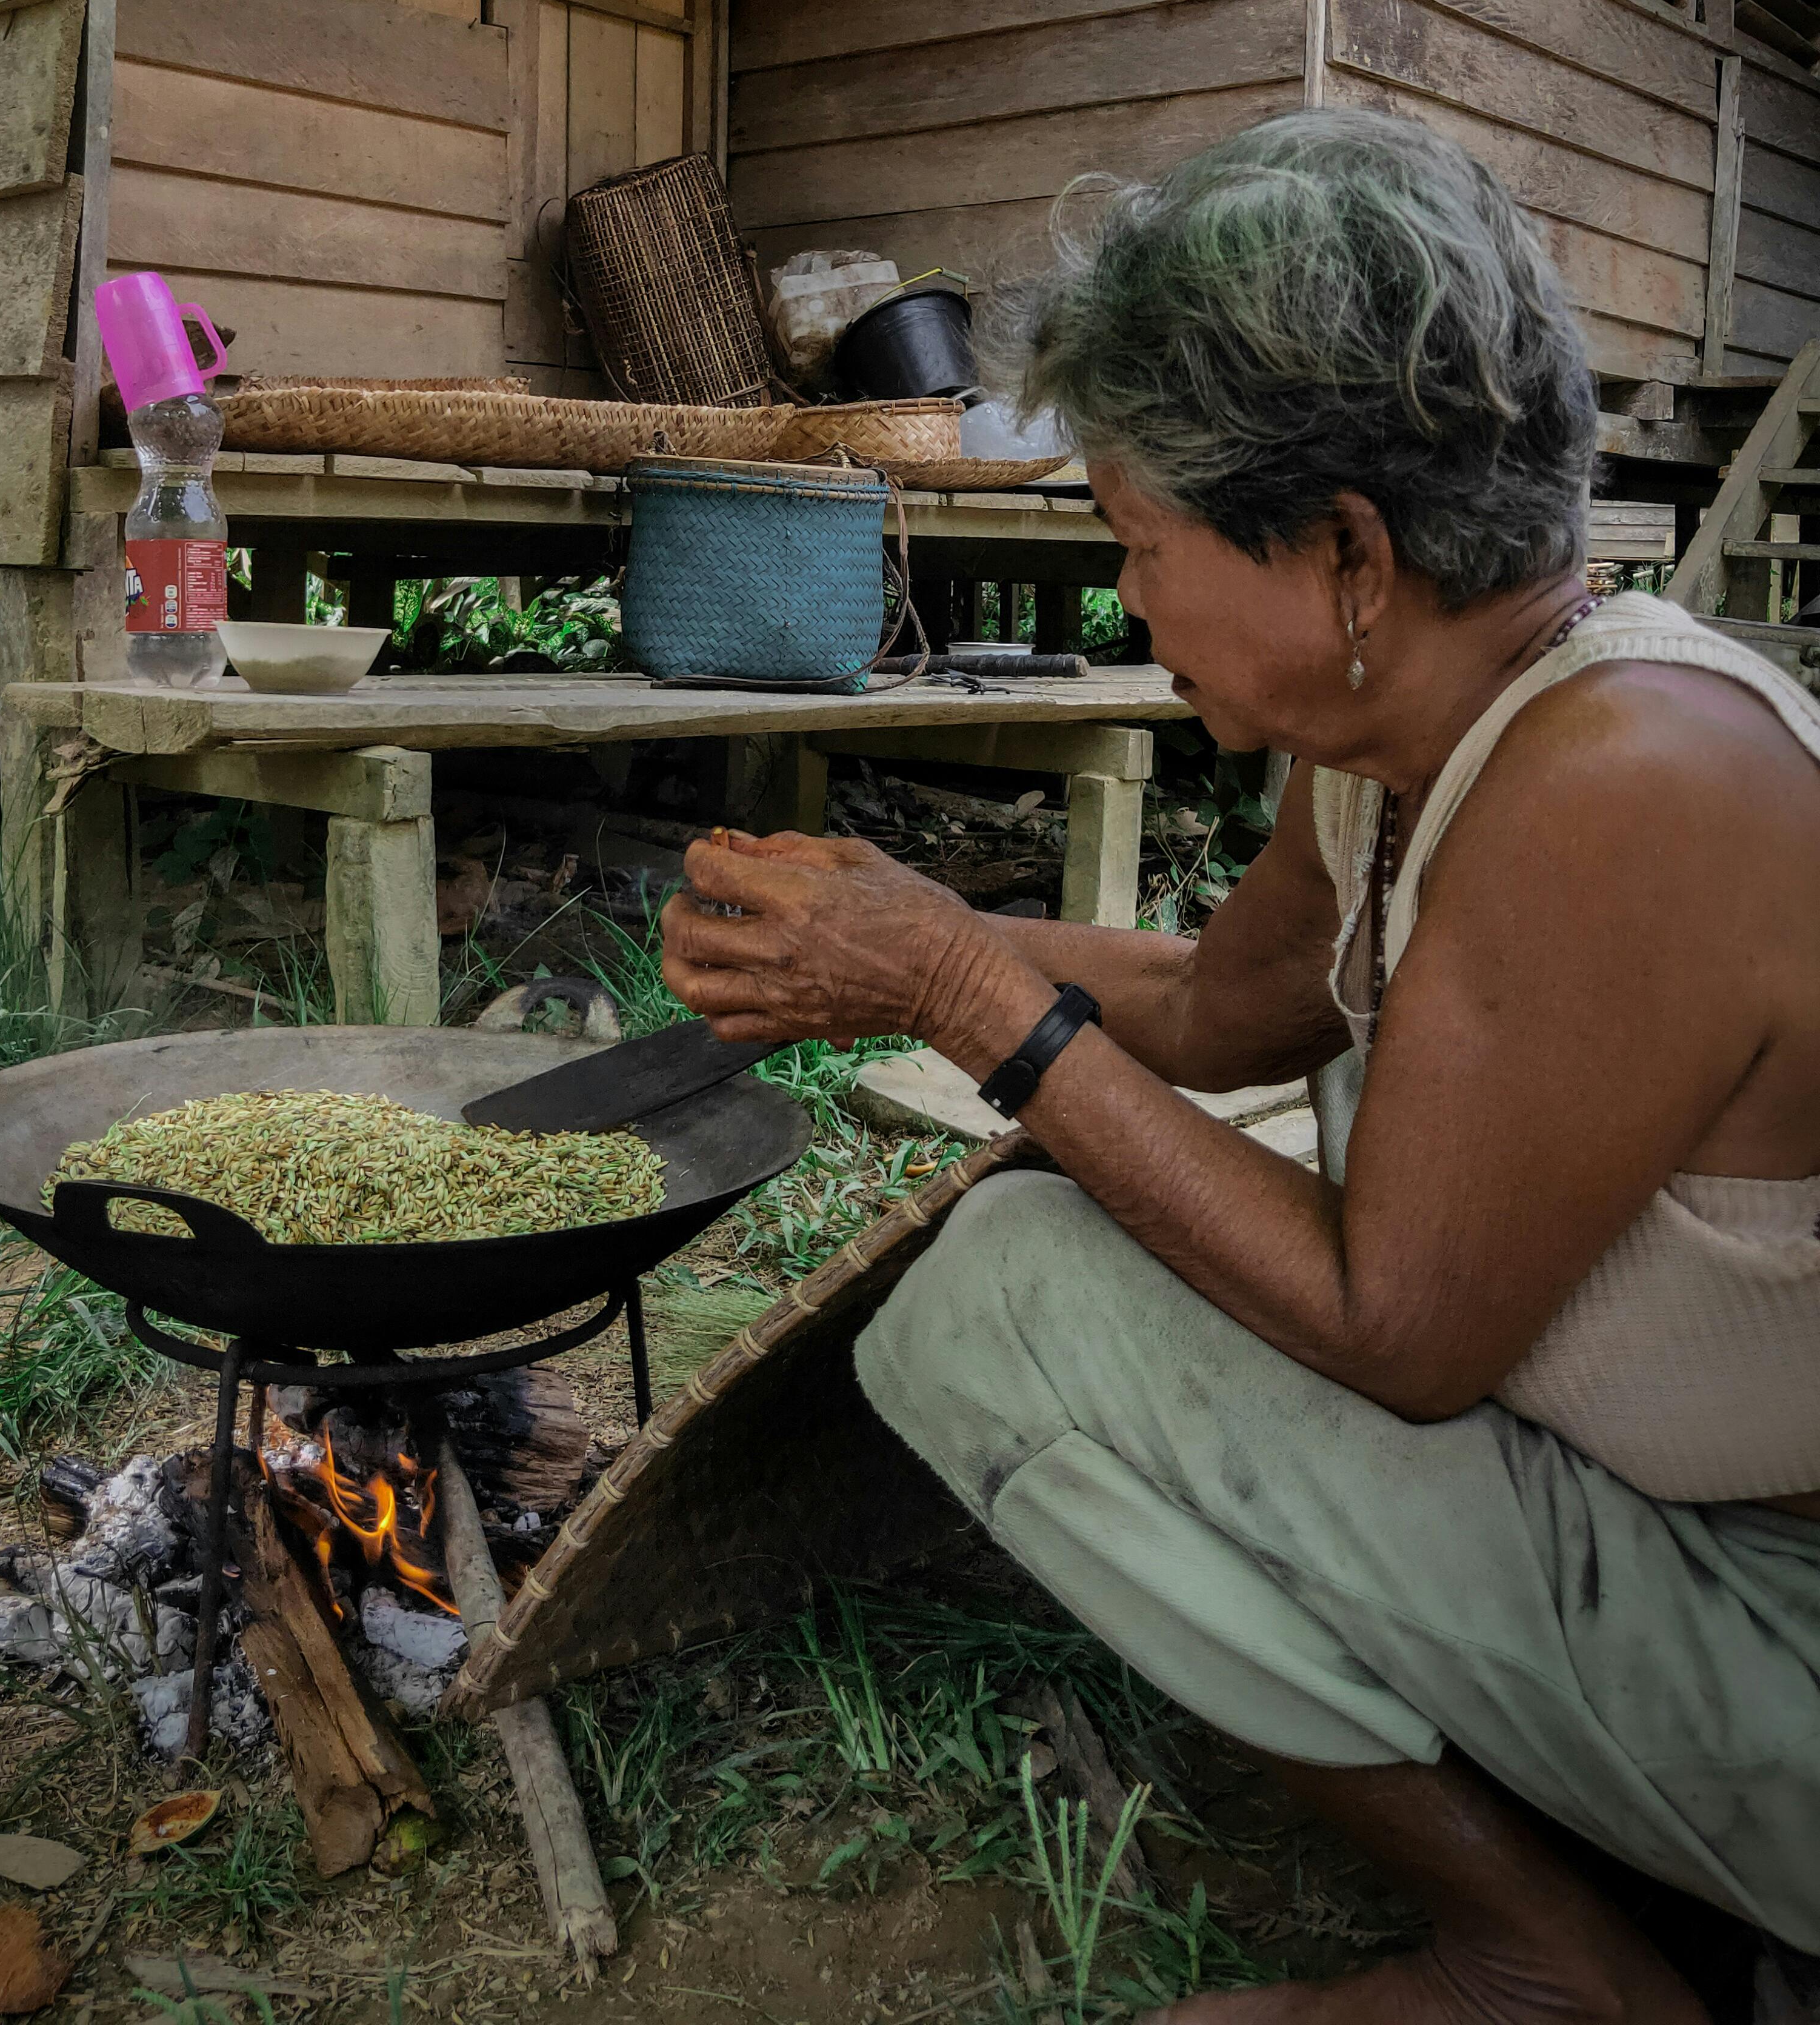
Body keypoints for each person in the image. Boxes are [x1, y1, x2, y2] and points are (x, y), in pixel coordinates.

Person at [659, 112, 1820, 2023]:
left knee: (999, 1305)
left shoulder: (1625, 785)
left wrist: (962, 991)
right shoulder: (1404, 741)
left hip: (1781, 1640)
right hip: (1652, 1522)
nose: (1129, 600)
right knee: (1029, 1260)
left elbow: (1393, 1333)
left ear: (1347, 552)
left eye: (1141, 544)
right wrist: (886, 930)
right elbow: (1217, 1007)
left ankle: (1551, 1967)